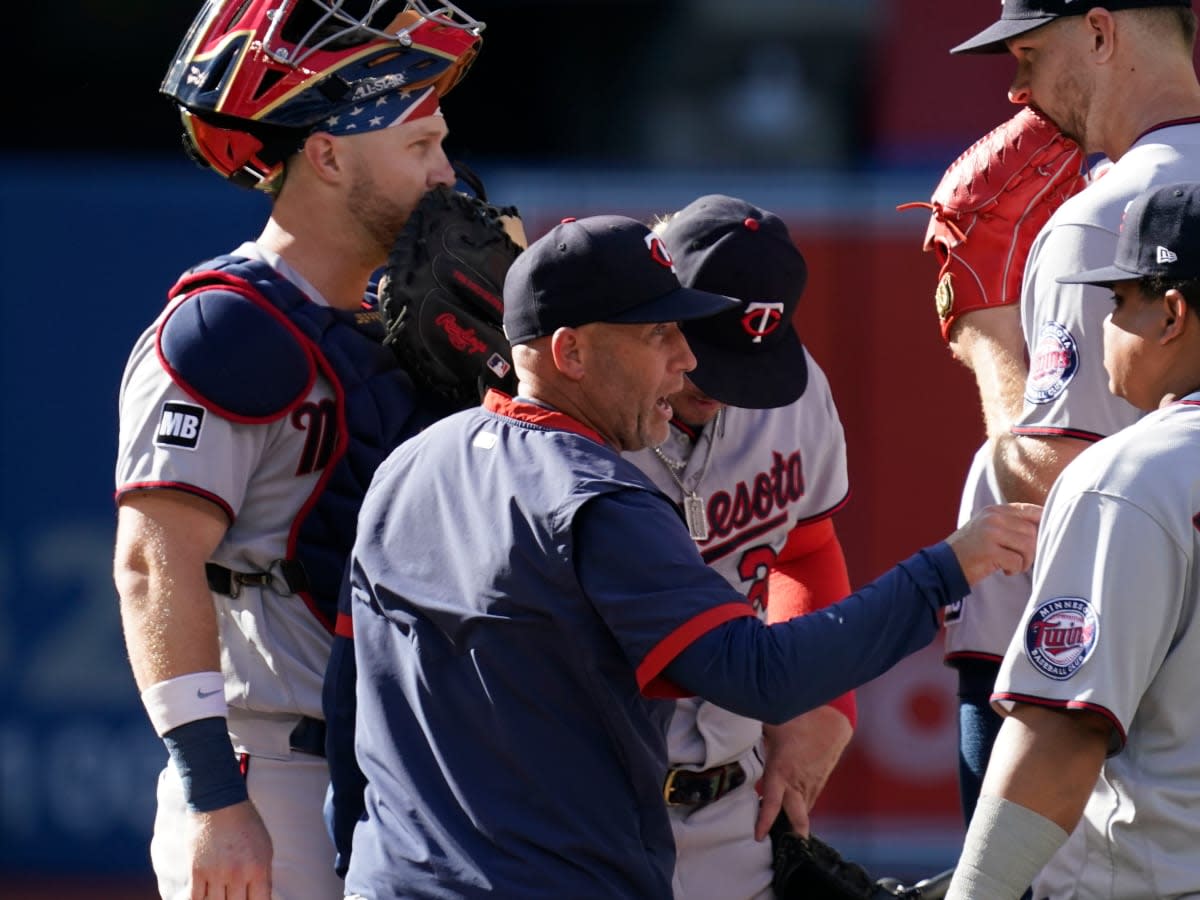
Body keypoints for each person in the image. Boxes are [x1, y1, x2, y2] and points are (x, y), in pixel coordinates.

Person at [336, 212, 1041, 899]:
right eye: (658, 334)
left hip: (400, 872)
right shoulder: (599, 503)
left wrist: (350, 850)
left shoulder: (409, 466)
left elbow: (352, 683)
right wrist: (943, 571)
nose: (685, 357)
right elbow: (759, 674)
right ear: (570, 353)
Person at [111, 2, 485, 897]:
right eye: (419, 145)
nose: (446, 172)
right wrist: (212, 798)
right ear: (327, 155)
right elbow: (152, 564)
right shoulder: (226, 328)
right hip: (277, 779)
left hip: (416, 772)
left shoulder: (417, 324)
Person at [938, 0, 1200, 827]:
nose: (1018, 90)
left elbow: (1056, 484)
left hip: (1118, 713)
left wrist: (986, 334)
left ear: (1098, 31)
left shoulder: (1103, 215)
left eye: (1028, 55)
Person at [945, 182, 1200, 899]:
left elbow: (1062, 734)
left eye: (1118, 301)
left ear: (1172, 314)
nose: (1107, 324)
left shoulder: (1132, 475)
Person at [622, 195, 854, 900]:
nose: (723, 390)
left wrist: (822, 703)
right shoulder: (580, 417)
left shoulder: (797, 393)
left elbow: (805, 548)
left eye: (748, 361)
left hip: (734, 807)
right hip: (591, 803)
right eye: (709, 353)